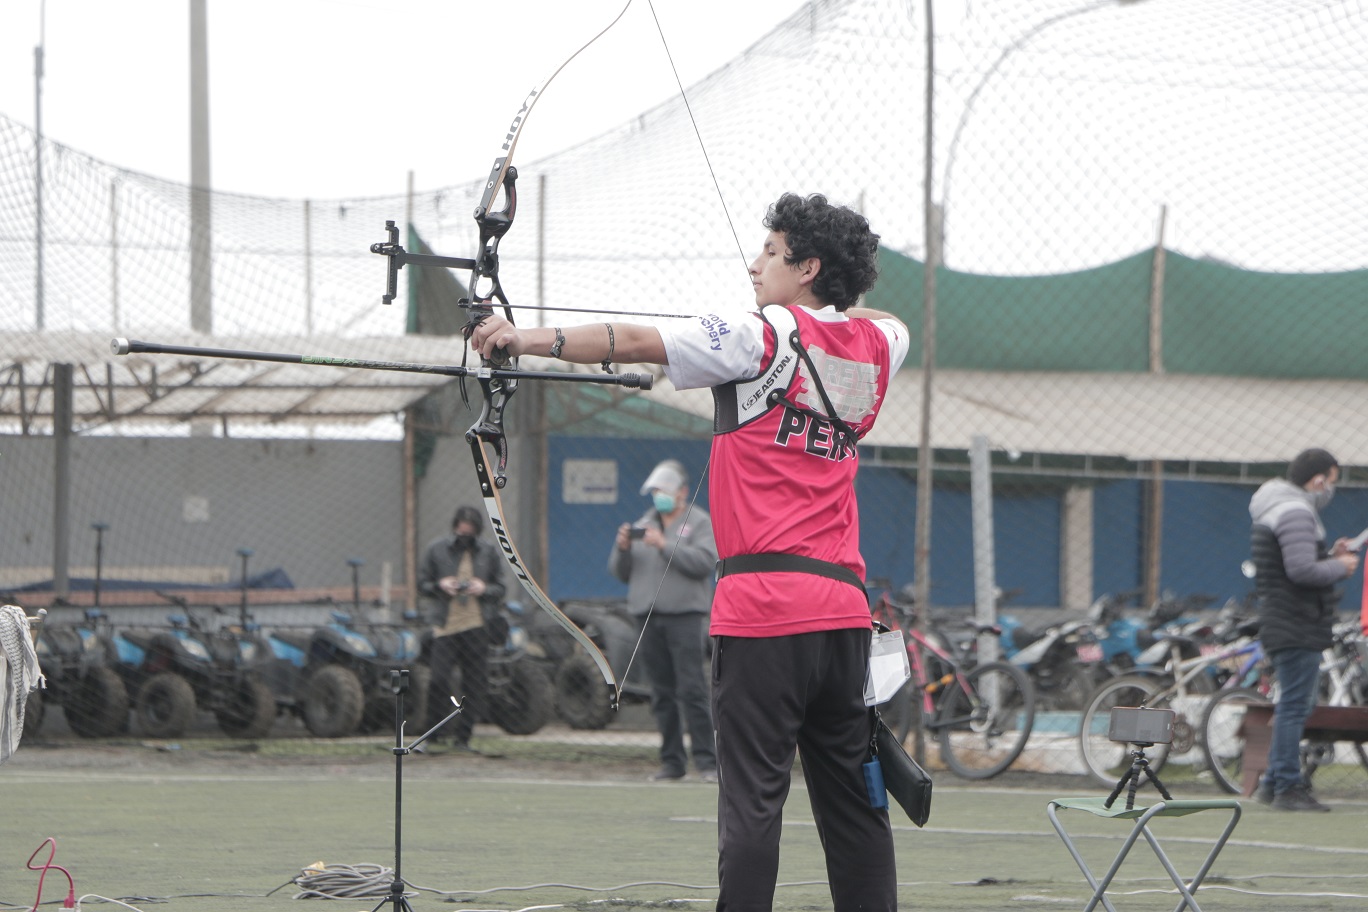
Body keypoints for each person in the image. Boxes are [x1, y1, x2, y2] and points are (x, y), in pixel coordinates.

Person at [472, 192, 909, 911]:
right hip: (843, 617)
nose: (754, 264)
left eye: (771, 254)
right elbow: (887, 321)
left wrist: (521, 339)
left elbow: (635, 341)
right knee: (857, 809)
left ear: (808, 267)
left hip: (764, 612)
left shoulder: (759, 336)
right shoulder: (878, 347)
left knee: (752, 806)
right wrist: (835, 305)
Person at [1249, 448, 1358, 812]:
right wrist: (1339, 566)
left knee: (1296, 703)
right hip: (1295, 621)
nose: (1331, 490)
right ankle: (1288, 788)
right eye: (1331, 481)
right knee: (1295, 706)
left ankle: (1272, 783)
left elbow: (1296, 563)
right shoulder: (1295, 511)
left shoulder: (1281, 507)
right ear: (1318, 479)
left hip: (1289, 619)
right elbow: (1300, 571)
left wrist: (1331, 554)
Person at [610, 458, 718, 783]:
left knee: (692, 689)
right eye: (656, 490)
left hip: (685, 616)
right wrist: (623, 548)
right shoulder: (644, 521)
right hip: (647, 616)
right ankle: (672, 763)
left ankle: (707, 762)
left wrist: (665, 545)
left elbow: (705, 562)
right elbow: (620, 572)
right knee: (661, 693)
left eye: (665, 490)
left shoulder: (699, 522)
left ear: (683, 491)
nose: (660, 496)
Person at [416, 505, 507, 753]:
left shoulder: (488, 552)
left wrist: (482, 588)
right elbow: (421, 583)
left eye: (470, 530)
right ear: (455, 526)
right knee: (438, 679)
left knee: (474, 683)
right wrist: (440, 585)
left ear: (477, 530)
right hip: (446, 627)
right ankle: (433, 734)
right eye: (461, 528)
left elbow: (501, 588)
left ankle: (463, 738)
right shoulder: (436, 549)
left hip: (477, 626)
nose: (464, 533)